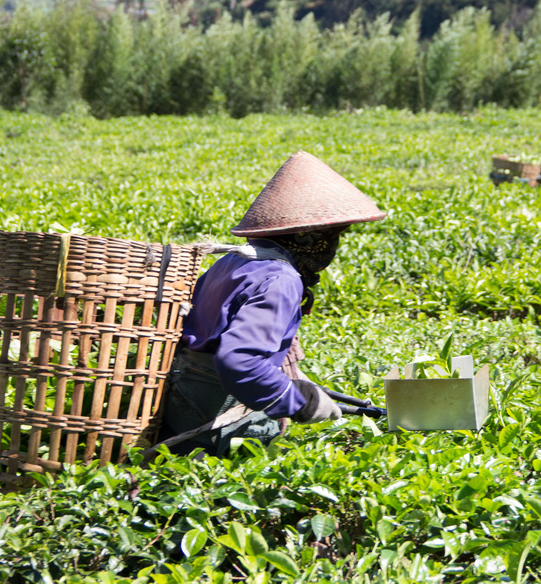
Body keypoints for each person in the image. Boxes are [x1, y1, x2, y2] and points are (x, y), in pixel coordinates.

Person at [157, 151, 387, 456]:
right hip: (216, 409)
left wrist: (303, 388)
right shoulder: (280, 279)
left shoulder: (232, 261)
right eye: (331, 237)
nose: (333, 247)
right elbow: (240, 362)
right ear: (308, 237)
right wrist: (297, 403)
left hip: (183, 397)